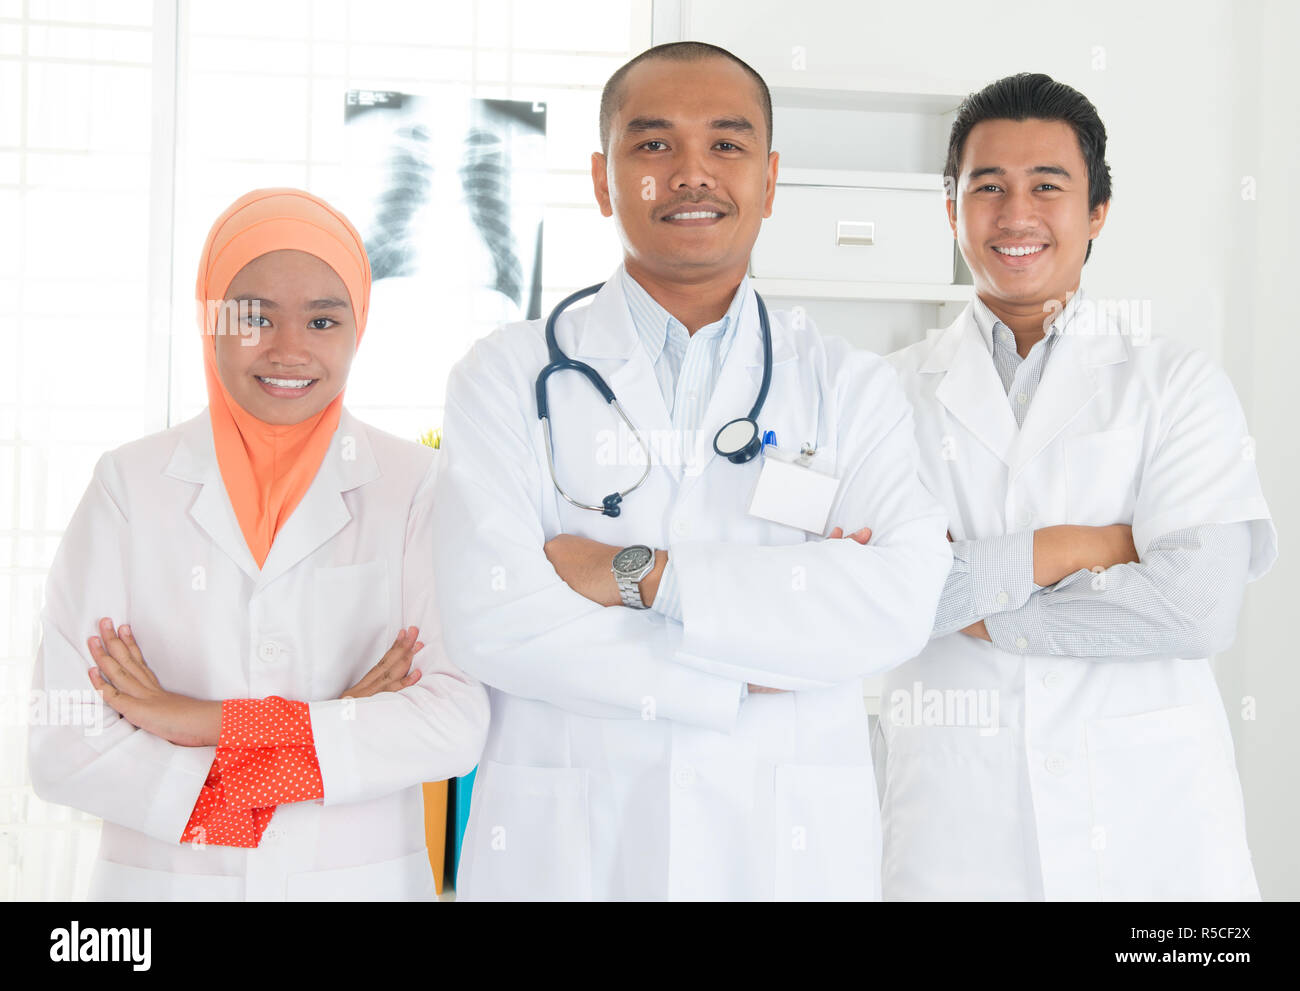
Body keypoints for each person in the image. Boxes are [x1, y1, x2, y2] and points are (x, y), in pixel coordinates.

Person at [430, 42, 951, 901]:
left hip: (779, 850)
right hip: (571, 847)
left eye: (727, 144)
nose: (691, 173)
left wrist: (642, 576)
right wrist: (751, 668)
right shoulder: (505, 377)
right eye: (654, 144)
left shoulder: (850, 386)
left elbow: (897, 600)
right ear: (603, 179)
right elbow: (495, 619)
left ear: (771, 179)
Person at [28, 188, 489, 901]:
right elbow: (62, 743)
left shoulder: (417, 486)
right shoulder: (128, 486)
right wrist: (336, 728)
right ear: (210, 317)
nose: (288, 349)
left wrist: (198, 724)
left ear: (357, 328)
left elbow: (454, 723)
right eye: (252, 316)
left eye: (322, 319)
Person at [879, 73, 1277, 900]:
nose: (1015, 215)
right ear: (949, 206)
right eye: (987, 187)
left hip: (1154, 837)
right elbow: (876, 599)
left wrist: (976, 601)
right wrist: (1077, 548)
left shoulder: (1178, 385)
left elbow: (1195, 607)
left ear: (1097, 211)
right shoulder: (882, 398)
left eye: (1047, 187)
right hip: (959, 833)